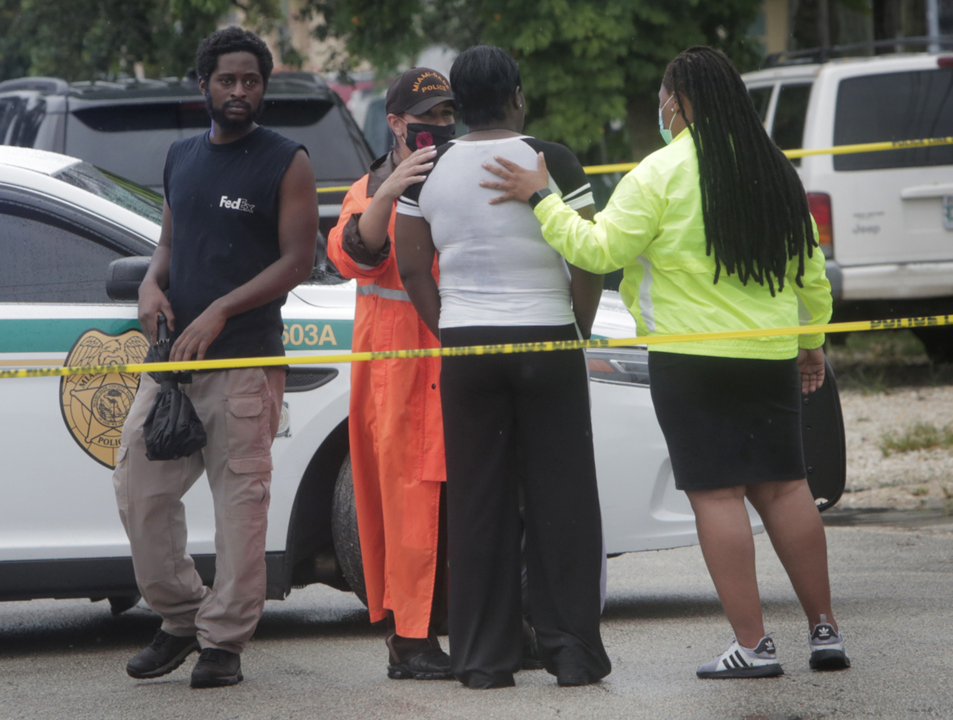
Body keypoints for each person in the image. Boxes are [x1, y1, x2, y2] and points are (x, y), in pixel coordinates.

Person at [479, 45, 847, 679]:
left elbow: (598, 250)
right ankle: (825, 633)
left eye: (662, 96)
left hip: (690, 355)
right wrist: (811, 339)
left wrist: (544, 198)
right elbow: (809, 268)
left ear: (676, 103)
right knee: (787, 488)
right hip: (770, 350)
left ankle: (755, 646)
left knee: (717, 496)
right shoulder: (776, 169)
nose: (659, 106)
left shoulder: (659, 173)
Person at [393, 45, 610, 689]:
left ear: (458, 104)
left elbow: (409, 265)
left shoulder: (428, 169)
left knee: (478, 501)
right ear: (517, 96)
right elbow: (590, 258)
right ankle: (572, 651)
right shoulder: (554, 160)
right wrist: (578, 327)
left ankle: (484, 659)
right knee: (561, 497)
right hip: (547, 338)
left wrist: (449, 330)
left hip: (468, 346)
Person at [113, 27, 318, 689]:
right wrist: (150, 284)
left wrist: (222, 309)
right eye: (227, 80)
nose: (239, 92)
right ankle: (178, 614)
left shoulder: (286, 161)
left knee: (240, 509)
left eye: (251, 81)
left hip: (245, 363)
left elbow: (296, 261)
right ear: (203, 85)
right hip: (173, 363)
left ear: (263, 88)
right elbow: (168, 248)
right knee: (138, 489)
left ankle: (224, 642)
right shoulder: (181, 156)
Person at [327, 67, 455, 681]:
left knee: (469, 503)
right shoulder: (373, 185)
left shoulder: (461, 179)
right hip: (398, 377)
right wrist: (392, 190)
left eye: (447, 117)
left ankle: (492, 623)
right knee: (407, 509)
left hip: (454, 364)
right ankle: (411, 640)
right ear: (397, 124)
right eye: (424, 119)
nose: (437, 129)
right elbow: (353, 252)